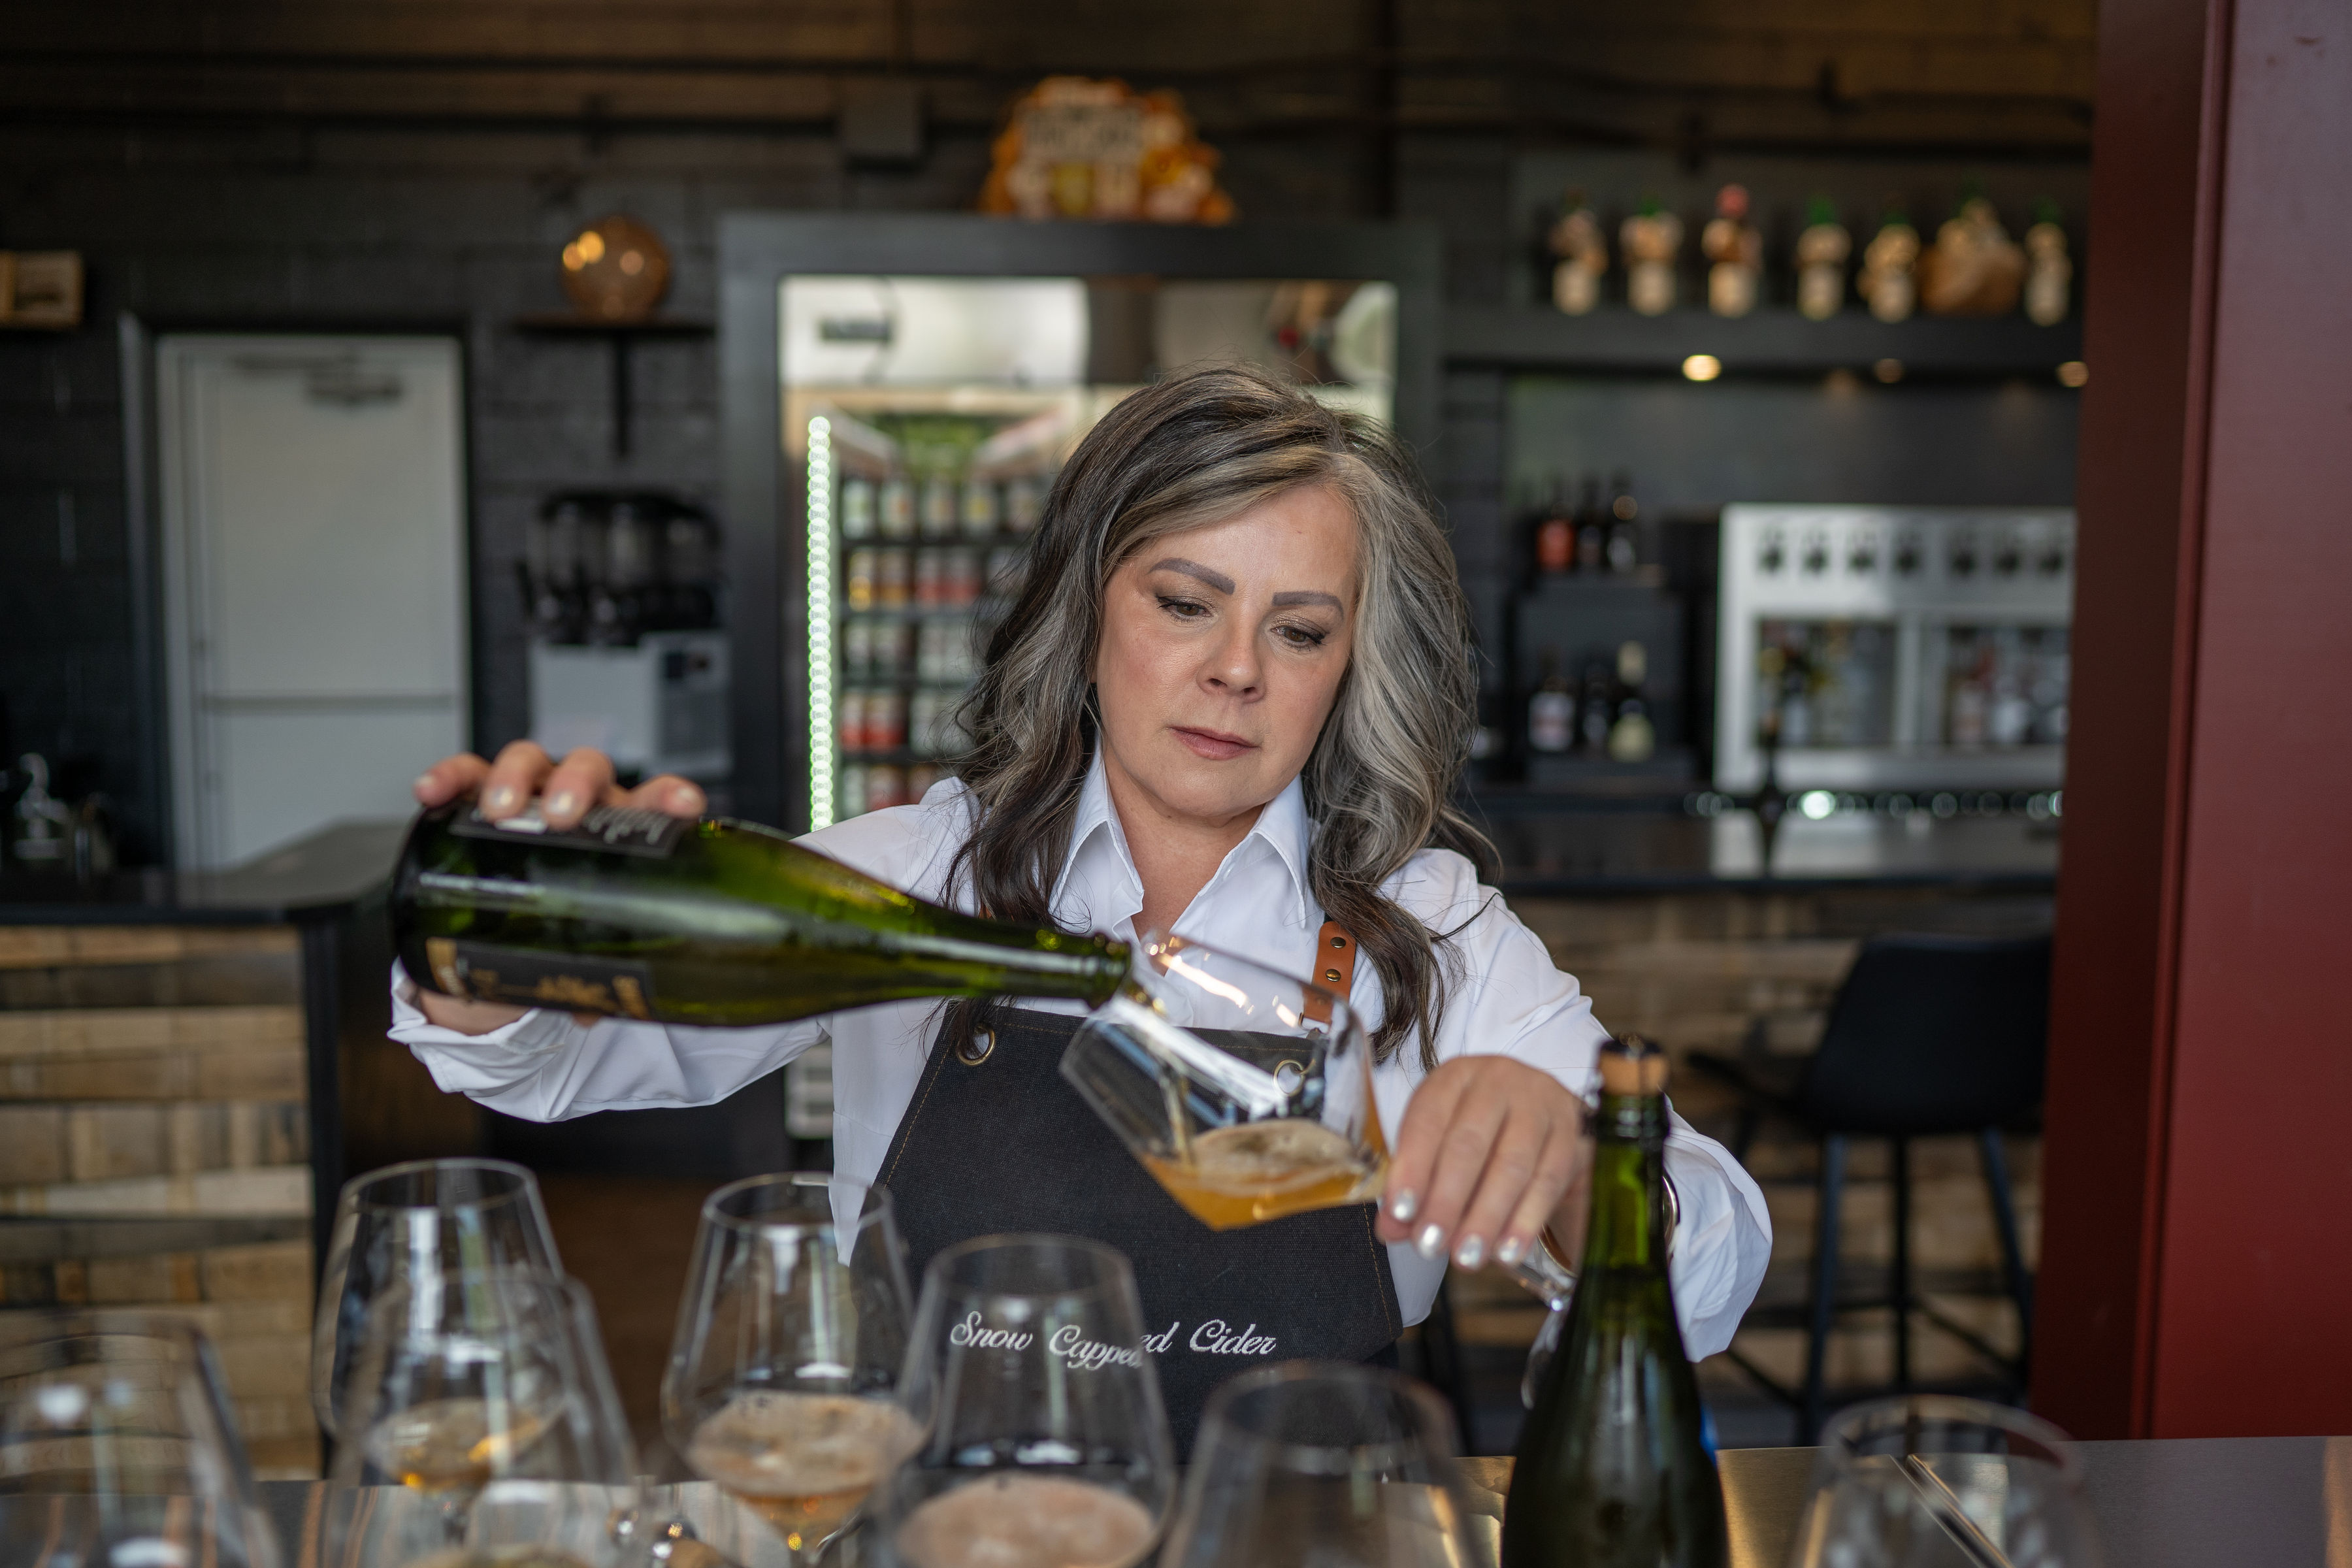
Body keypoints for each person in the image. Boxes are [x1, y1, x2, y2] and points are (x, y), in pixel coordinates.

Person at [393, 363, 1769, 1445]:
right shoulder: (914, 876)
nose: (1238, 670)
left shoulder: (1433, 929)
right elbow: (554, 1062)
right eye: (1185, 603)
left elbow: (1715, 1269)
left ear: (1350, 667)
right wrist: (490, 945)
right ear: (1089, 609)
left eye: (1298, 630)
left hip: (1290, 1533)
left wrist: (1586, 1168)